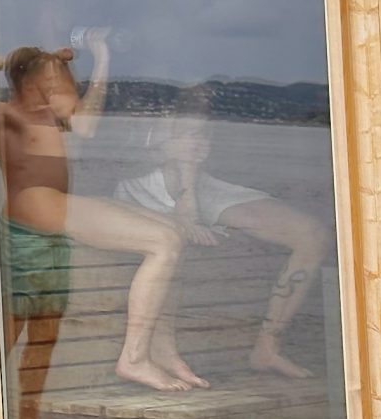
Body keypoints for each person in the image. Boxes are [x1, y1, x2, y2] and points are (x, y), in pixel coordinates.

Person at [0, 33, 196, 395]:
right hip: (40, 205)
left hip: (47, 199)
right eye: (57, 80)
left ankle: (163, 347)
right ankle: (134, 358)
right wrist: (101, 59)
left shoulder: (26, 110)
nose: (65, 87)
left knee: (174, 229)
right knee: (164, 242)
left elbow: (7, 67)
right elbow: (86, 126)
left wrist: (32, 60)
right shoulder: (9, 113)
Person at [114, 85, 331, 381]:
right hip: (152, 192)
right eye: (188, 134)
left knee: (312, 235)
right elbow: (126, 164)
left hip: (201, 185)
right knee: (172, 242)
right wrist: (182, 169)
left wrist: (192, 165)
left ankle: (268, 347)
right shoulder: (141, 130)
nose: (197, 140)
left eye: (202, 133)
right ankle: (158, 353)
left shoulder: (214, 131)